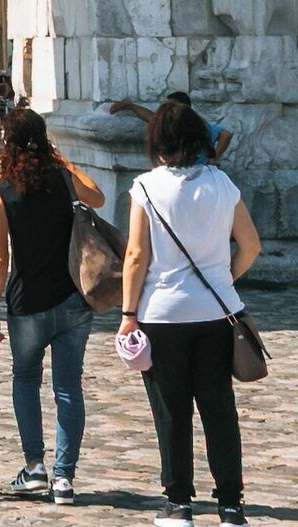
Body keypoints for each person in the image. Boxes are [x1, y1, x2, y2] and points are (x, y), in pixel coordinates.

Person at [119, 100, 262, 527]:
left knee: (171, 410)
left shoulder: (146, 187)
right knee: (219, 408)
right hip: (217, 314)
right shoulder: (223, 185)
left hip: (162, 314)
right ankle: (231, 503)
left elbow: (136, 254)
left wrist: (128, 313)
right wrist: (224, 280)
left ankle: (179, 502)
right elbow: (251, 245)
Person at [0, 107, 101, 505]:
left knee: (26, 380)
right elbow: (97, 196)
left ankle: (34, 467)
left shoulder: (2, 192)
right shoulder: (63, 179)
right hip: (71, 297)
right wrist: (64, 161)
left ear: (7, 143)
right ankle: (64, 478)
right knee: (68, 388)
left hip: (26, 300)